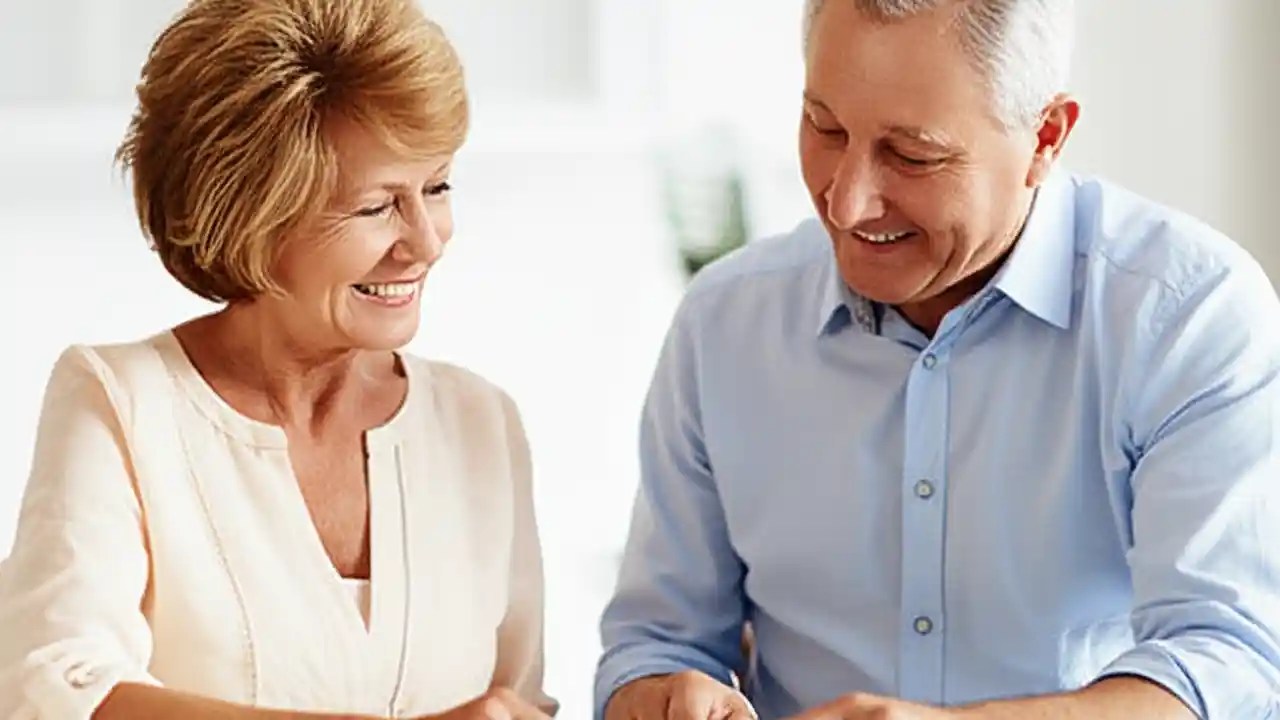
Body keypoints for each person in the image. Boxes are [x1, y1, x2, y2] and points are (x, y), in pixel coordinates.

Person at [595, 0, 1280, 718]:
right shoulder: (725, 323)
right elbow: (654, 645)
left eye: (912, 156)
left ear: (1045, 136)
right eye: (825, 128)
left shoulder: (1186, 315)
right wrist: (666, 695)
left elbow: (1230, 662)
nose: (847, 203)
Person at [0, 1, 557, 718]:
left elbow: (522, 699)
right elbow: (53, 692)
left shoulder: (480, 421)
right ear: (251, 217)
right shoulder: (122, 401)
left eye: (437, 187)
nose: (426, 242)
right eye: (376, 207)